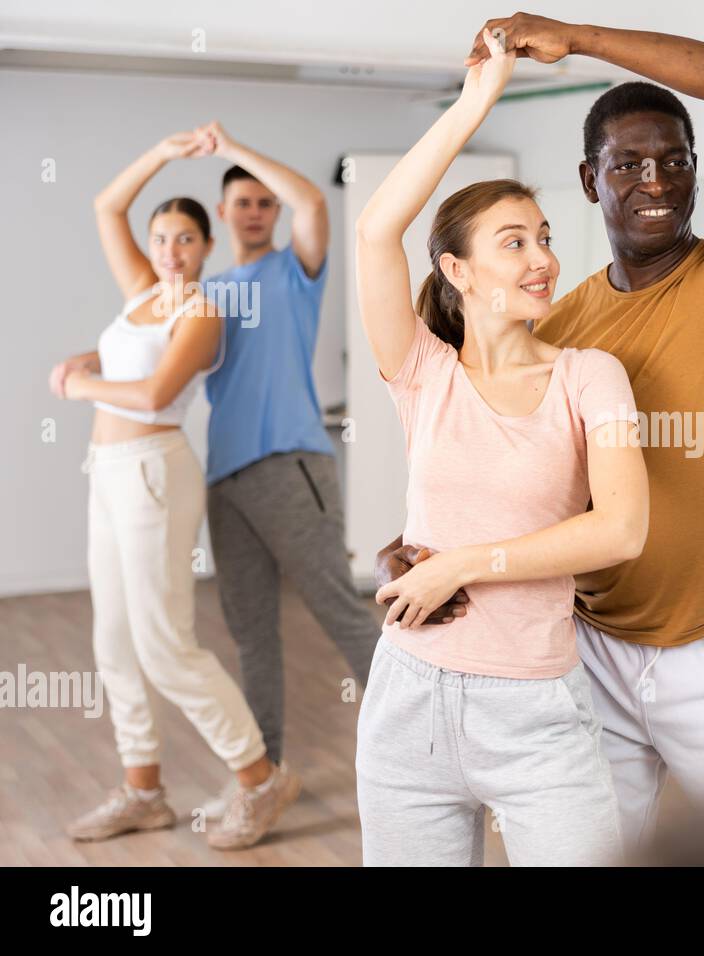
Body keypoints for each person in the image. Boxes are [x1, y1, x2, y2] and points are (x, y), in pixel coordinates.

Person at [377, 12, 704, 851]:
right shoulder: (562, 331)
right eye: (629, 163)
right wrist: (419, 548)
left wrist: (576, 39)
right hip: (586, 654)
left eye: (675, 161)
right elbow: (491, 467)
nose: (655, 179)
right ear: (592, 181)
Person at [352, 32, 647, 867]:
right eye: (514, 242)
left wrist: (460, 565)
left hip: (538, 713)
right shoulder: (422, 374)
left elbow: (621, 531)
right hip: (410, 701)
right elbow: (378, 231)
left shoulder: (593, 376)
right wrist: (475, 104)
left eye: (545, 235)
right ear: (458, 269)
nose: (544, 258)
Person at [51, 130, 299, 850]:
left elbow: (158, 390)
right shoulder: (139, 296)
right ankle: (143, 792)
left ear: (203, 247)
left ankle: (259, 779)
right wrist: (162, 153)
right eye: (160, 237)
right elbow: (106, 205)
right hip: (106, 475)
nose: (168, 250)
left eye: (184, 239)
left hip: (157, 475)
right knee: (115, 640)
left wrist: (80, 381)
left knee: (165, 645)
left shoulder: (202, 311)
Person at [195, 121, 381, 802]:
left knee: (342, 614)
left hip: (291, 466)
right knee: (250, 633)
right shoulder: (208, 293)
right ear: (221, 213)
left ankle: (430, 750)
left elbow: (311, 204)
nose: (253, 211)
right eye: (240, 202)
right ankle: (265, 774)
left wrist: (231, 149)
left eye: (262, 201)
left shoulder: (294, 270)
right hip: (226, 479)